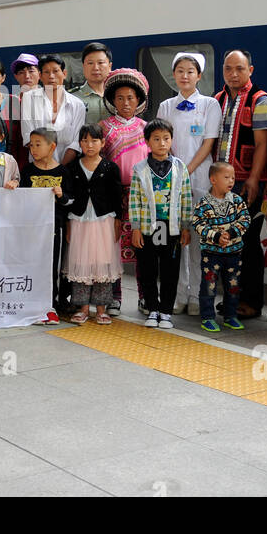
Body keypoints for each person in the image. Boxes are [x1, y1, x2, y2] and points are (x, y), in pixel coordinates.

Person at [156, 52, 221, 314]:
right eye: (180, 71)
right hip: (171, 177)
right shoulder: (165, 106)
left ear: (199, 76)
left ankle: (198, 295)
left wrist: (187, 170)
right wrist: (174, 171)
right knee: (176, 238)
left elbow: (208, 143)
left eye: (190, 71)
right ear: (174, 75)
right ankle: (180, 293)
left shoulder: (210, 105)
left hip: (200, 177)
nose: (185, 75)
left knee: (198, 239)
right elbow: (161, 141)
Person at [213, 50, 267, 319]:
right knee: (225, 244)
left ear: (251, 70)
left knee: (247, 244)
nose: (233, 74)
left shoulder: (260, 100)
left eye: (239, 68)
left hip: (246, 184)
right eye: (228, 69)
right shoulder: (218, 99)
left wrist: (253, 179)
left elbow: (263, 144)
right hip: (221, 185)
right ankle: (230, 298)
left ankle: (251, 301)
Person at [130, 118, 192, 329]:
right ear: (147, 142)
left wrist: (186, 226)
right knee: (148, 269)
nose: (162, 143)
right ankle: (152, 308)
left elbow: (185, 198)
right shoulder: (139, 169)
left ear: (171, 140)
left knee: (170, 270)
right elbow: (135, 200)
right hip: (149, 227)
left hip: (171, 227)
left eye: (166, 138)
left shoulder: (180, 167)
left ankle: (165, 311)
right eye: (156, 139)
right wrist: (136, 228)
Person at [100, 68, 150, 316]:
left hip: (140, 196)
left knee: (142, 247)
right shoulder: (104, 128)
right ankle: (115, 296)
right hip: (113, 194)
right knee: (113, 247)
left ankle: (144, 296)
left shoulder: (146, 128)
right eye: (120, 98)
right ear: (112, 100)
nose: (125, 103)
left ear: (139, 100)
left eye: (131, 97)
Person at [64, 124, 123, 325]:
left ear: (103, 143)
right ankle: (82, 308)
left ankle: (101, 309)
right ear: (79, 143)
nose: (89, 145)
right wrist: (69, 225)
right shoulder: (72, 167)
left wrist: (118, 221)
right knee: (81, 263)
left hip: (103, 221)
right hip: (79, 221)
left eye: (94, 140)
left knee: (102, 263)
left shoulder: (110, 167)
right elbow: (69, 196)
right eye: (85, 141)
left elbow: (117, 197)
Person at [21, 127, 74, 323]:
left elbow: (71, 201)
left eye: (38, 144)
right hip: (32, 229)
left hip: (55, 229)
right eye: (31, 145)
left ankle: (50, 305)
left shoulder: (62, 172)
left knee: (53, 267)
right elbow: (21, 199)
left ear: (52, 147)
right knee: (32, 265)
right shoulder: (27, 170)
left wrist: (61, 195)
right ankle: (31, 304)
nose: (33, 149)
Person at [193, 162, 252, 332]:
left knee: (232, 286)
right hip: (211, 254)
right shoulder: (204, 204)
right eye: (226, 177)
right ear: (213, 179)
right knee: (209, 286)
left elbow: (245, 220)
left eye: (233, 177)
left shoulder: (237, 201)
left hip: (233, 253)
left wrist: (232, 234)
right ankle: (208, 317)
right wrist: (216, 236)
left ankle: (230, 315)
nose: (231, 181)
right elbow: (198, 224)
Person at [21, 54, 86, 166]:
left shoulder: (77, 105)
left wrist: (59, 169)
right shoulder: (29, 99)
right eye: (46, 72)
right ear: (40, 76)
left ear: (64, 74)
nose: (51, 76)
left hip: (67, 168)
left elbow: (75, 143)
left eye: (56, 71)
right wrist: (46, 166)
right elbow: (28, 136)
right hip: (38, 167)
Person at [73, 42, 112, 126]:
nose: (96, 68)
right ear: (83, 67)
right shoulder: (73, 98)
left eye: (101, 63)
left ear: (110, 66)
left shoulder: (118, 95)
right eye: (90, 63)